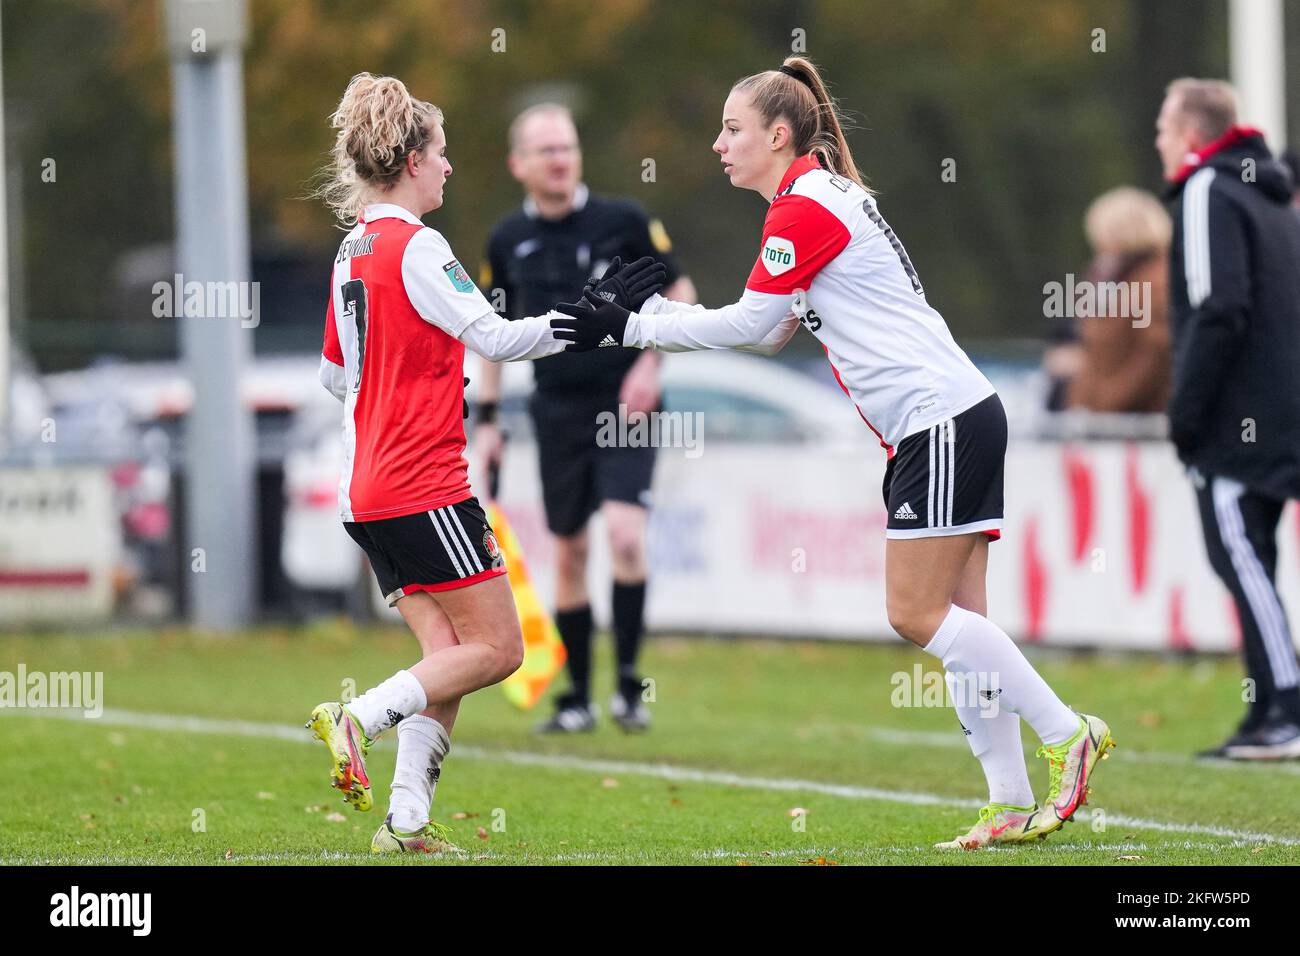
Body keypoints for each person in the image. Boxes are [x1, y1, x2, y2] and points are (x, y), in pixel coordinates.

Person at [549, 57, 1115, 849]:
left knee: (915, 614)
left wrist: (636, 324)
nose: (718, 144)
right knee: (963, 622)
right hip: (955, 415)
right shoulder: (813, 197)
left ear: (779, 136)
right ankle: (1009, 800)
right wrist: (649, 320)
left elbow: (751, 325)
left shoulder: (804, 207)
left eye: (732, 129)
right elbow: (776, 328)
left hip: (939, 419)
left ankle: (1068, 734)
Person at [307, 73, 663, 853]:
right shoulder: (418, 243)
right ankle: (356, 717)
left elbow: (337, 375)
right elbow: (498, 338)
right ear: (408, 160)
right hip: (421, 481)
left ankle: (404, 824)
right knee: (501, 651)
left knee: (450, 660)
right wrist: (595, 319)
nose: (448, 167)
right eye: (439, 153)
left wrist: (409, 370)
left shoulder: (350, 248)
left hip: (362, 489)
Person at [476, 103, 698, 734]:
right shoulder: (504, 241)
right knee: (569, 551)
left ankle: (630, 688)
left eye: (567, 146)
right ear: (519, 164)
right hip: (557, 411)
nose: (560, 159)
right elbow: (490, 336)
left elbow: (681, 292)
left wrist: (650, 364)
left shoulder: (622, 220)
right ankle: (577, 698)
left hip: (628, 405)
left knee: (626, 536)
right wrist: (487, 421)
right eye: (545, 150)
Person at [1155, 78, 1300, 759]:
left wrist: (1187, 414)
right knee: (1251, 559)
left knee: (1238, 557)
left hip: (1236, 422)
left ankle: (1285, 708)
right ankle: (1264, 712)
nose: (1157, 139)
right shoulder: (1267, 194)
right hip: (1275, 411)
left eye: (1163, 126)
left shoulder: (1209, 189)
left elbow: (1218, 307)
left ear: (1190, 134)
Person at [1065, 187, 1172, 413]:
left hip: (1138, 421)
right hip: (1109, 419)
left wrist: (1106, 404)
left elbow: (1156, 355)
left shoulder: (1157, 282)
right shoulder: (1109, 278)